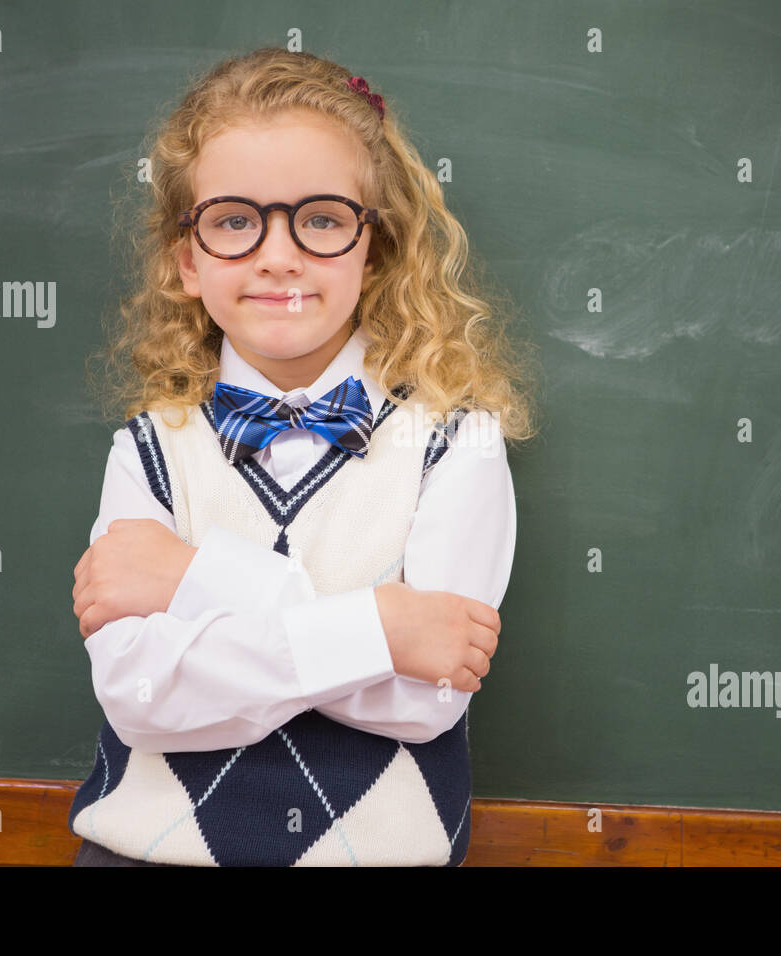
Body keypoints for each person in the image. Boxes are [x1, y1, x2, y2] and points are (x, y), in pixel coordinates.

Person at [67, 47, 540, 866]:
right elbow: (140, 697)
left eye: (320, 219)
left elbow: (424, 697)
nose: (277, 255)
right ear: (188, 260)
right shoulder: (148, 448)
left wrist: (194, 583)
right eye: (234, 221)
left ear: (375, 249)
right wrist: (382, 626)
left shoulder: (456, 441)